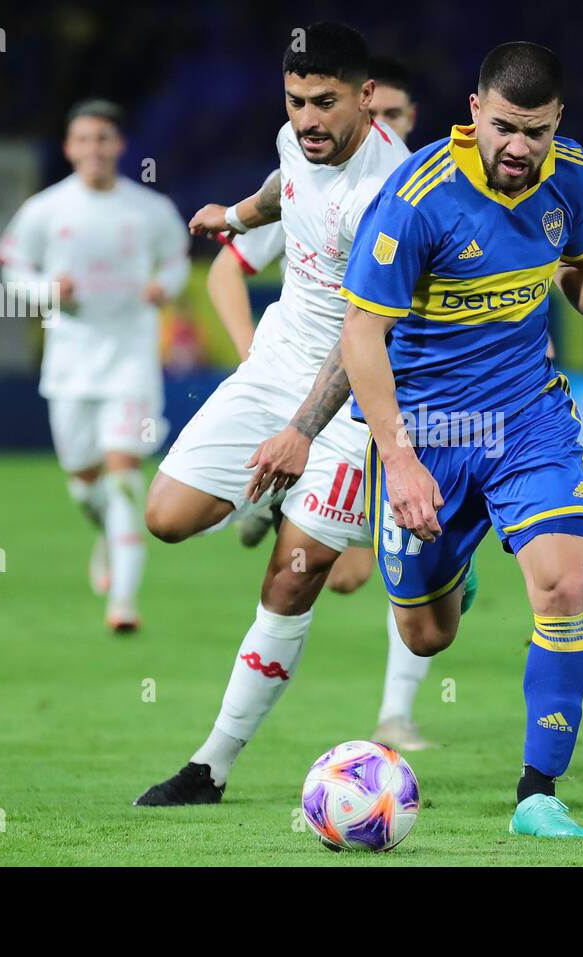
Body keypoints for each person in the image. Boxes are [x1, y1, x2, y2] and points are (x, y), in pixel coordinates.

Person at [324, 41, 583, 838]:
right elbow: (360, 338)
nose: (520, 147)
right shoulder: (418, 202)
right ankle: (456, 572)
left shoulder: (571, 175)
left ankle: (537, 791)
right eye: (507, 127)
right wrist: (404, 463)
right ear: (475, 112)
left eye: (538, 131)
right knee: (426, 631)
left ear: (559, 124)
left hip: (526, 417)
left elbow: (578, 267)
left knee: (562, 584)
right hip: (429, 435)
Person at [134, 23, 441, 807]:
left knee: (298, 576)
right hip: (270, 367)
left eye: (325, 102)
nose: (307, 117)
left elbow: (361, 335)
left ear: (367, 100)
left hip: (346, 406)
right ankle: (275, 501)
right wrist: (236, 217)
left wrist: (300, 434)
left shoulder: (389, 196)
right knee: (165, 516)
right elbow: (283, 186)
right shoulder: (296, 139)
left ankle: (211, 766)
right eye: (296, 99)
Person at [201, 56, 440, 752]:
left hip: (419, 409)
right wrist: (255, 360)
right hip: (351, 409)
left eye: (396, 118)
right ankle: (393, 715)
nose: (382, 130)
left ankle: (396, 711)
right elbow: (229, 262)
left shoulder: (421, 198)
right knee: (354, 574)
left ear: (408, 122)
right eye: (378, 115)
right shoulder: (318, 183)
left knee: (409, 583)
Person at [0, 99, 191, 632]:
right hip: (69, 363)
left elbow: (177, 257)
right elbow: (12, 263)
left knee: (125, 477)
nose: (94, 149)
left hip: (130, 359)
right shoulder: (46, 208)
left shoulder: (149, 209)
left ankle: (124, 603)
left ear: (119, 146)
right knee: (85, 482)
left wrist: (164, 286)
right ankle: (106, 534)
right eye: (84, 140)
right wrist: (44, 291)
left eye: (103, 139)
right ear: (69, 148)